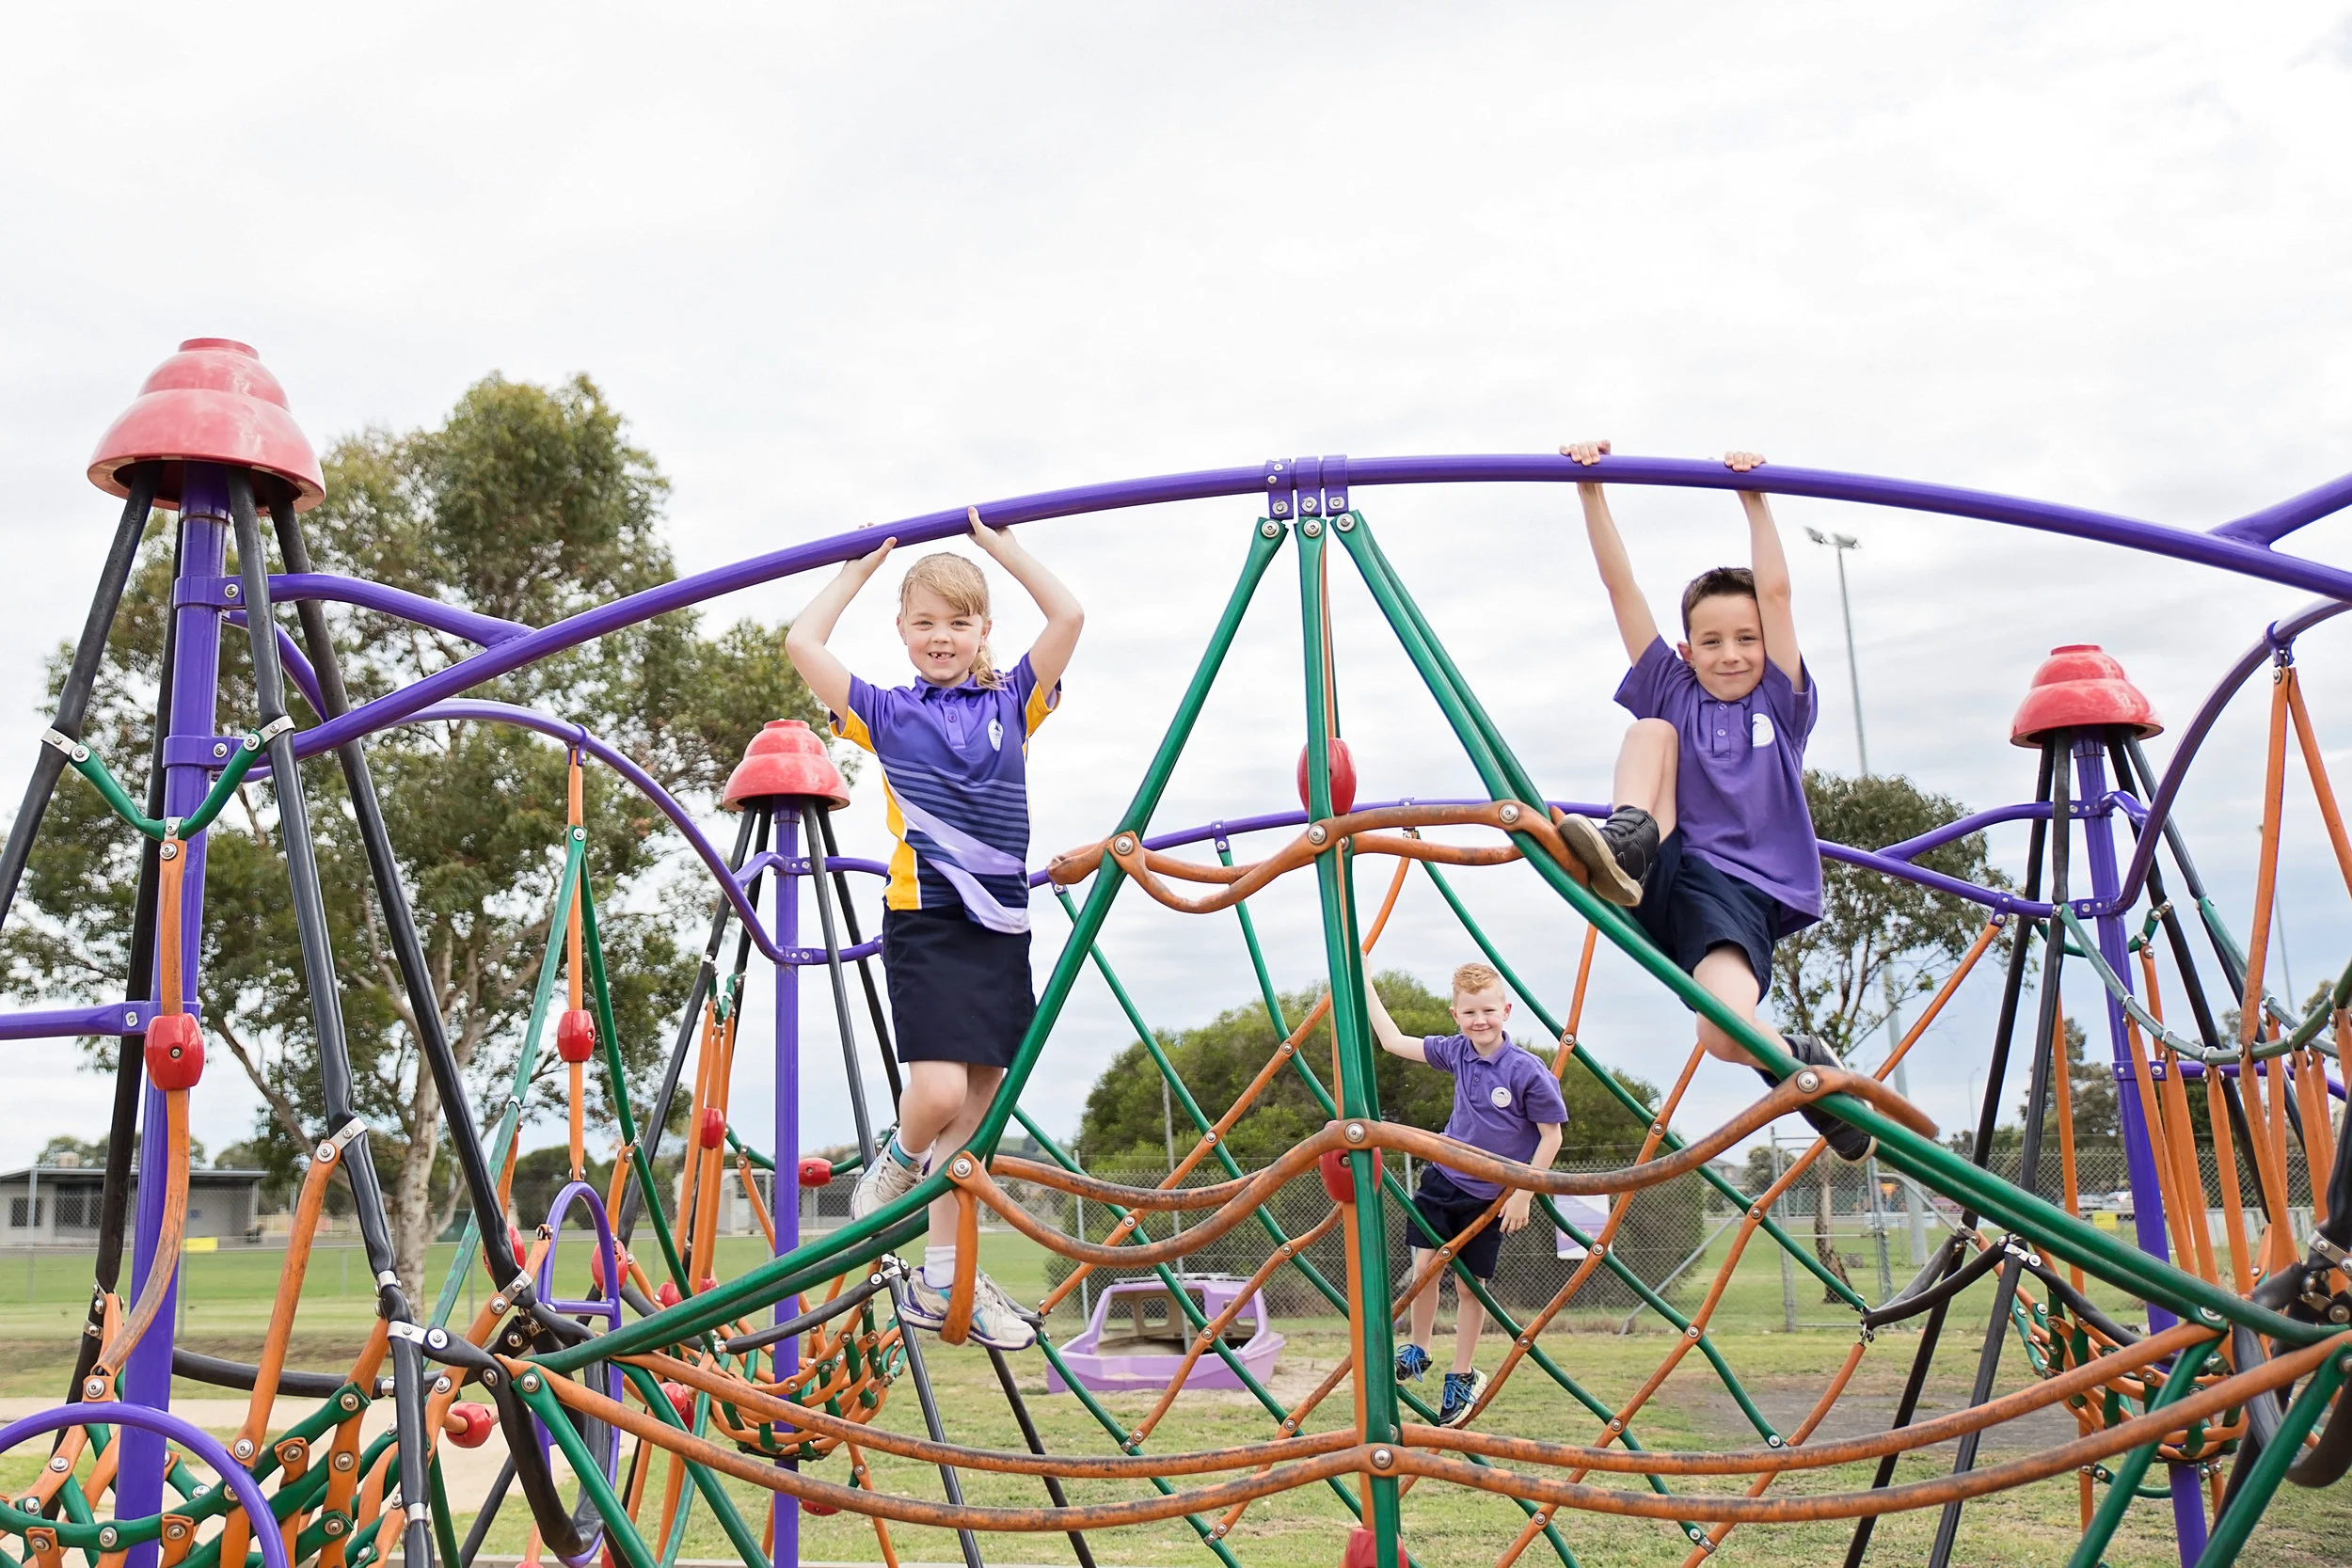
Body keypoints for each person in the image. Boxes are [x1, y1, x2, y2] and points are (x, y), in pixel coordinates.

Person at [785, 507, 1085, 1351]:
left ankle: (944, 1278)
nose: (941, 637)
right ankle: (896, 1160)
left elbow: (1069, 615)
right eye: (924, 623)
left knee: (975, 1122)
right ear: (903, 632)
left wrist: (1001, 547)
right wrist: (861, 568)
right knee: (942, 1095)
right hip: (928, 916)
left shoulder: (1013, 701)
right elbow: (803, 642)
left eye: (958, 622)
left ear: (984, 629)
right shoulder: (886, 713)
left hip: (1003, 926)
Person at [1554, 438, 1869, 1161]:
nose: (1731, 653)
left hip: (1736, 893)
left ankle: (1805, 1070)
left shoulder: (1780, 702)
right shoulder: (1673, 688)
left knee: (1722, 1032)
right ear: (1687, 650)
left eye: (1747, 639)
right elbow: (1622, 590)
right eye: (1713, 641)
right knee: (1651, 730)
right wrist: (1590, 490)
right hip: (1661, 863)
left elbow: (1778, 594)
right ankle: (1626, 839)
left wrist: (1754, 501)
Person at [1362, 964, 1565, 1427]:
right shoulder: (1457, 1052)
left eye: (1488, 1011)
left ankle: (1463, 1373)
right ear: (1455, 1015)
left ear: (1506, 1011)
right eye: (1469, 1012)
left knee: (1470, 1287)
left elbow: (1550, 1136)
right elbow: (1393, 1041)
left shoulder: (1526, 1071)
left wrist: (1523, 1194)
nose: (1480, 1021)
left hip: (1491, 1196)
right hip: (1443, 1179)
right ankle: (1419, 1348)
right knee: (1424, 1270)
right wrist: (1365, 981)